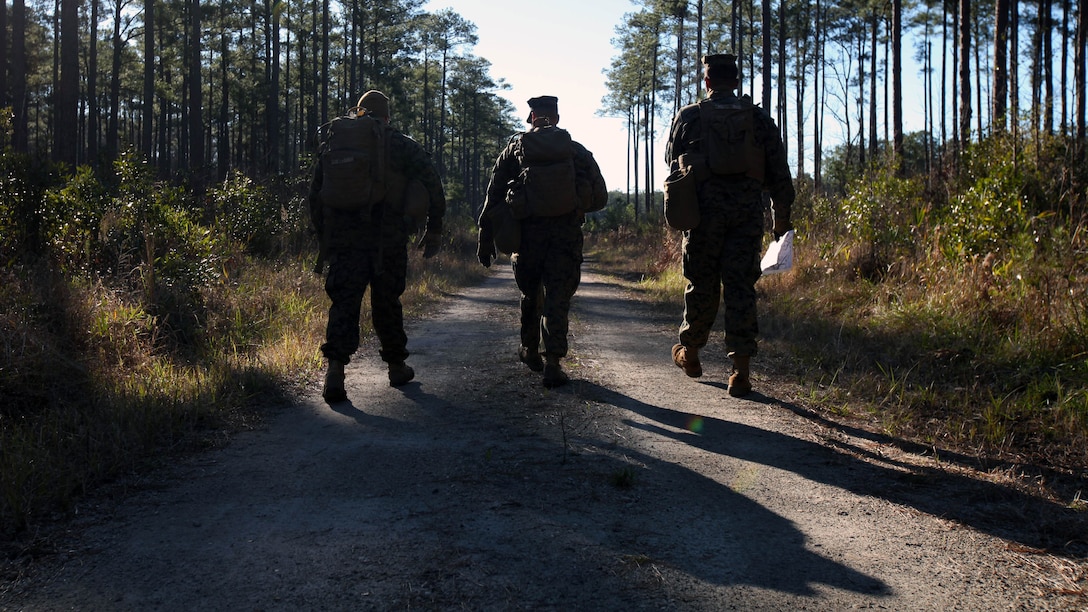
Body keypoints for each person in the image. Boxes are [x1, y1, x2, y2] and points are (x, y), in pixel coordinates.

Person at [664, 54, 795, 397]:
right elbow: (780, 174)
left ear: (707, 82)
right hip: (746, 218)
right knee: (741, 288)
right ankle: (740, 372)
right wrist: (781, 220)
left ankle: (691, 354)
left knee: (702, 283)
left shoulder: (689, 117)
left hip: (703, 217)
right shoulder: (758, 119)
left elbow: (670, 160)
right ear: (736, 81)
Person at [309, 90, 446, 404]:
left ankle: (335, 372)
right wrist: (434, 228)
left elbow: (316, 194)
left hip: (345, 240)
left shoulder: (338, 142)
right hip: (388, 239)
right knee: (387, 302)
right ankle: (397, 367)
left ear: (359, 112)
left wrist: (324, 237)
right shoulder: (400, 143)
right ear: (386, 116)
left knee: (344, 303)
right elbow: (432, 183)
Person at [476, 95, 607, 388]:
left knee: (530, 294)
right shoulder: (575, 152)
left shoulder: (514, 151)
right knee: (558, 297)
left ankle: (529, 348)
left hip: (527, 238)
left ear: (531, 118)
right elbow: (600, 197)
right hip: (566, 237)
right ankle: (554, 363)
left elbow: (493, 195)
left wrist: (485, 238)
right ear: (557, 118)